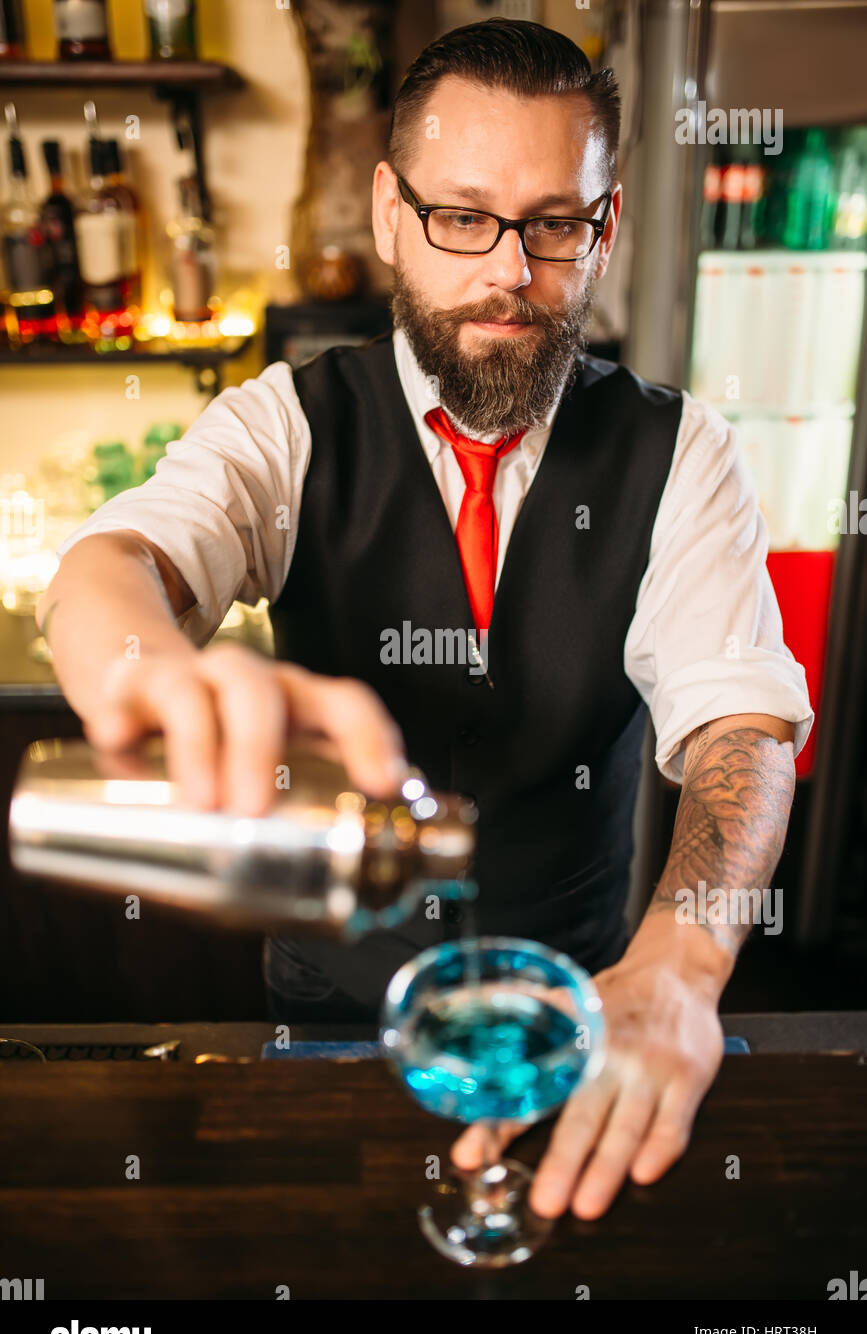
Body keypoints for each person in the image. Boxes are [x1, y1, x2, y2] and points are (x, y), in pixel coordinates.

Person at [37, 19, 812, 1222]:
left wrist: (681, 965)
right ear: (395, 213)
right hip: (335, 1020)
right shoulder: (286, 425)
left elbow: (741, 737)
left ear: (602, 231)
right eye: (464, 216)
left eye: (554, 222)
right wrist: (148, 676)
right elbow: (115, 564)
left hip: (573, 1014)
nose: (509, 269)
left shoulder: (680, 451)